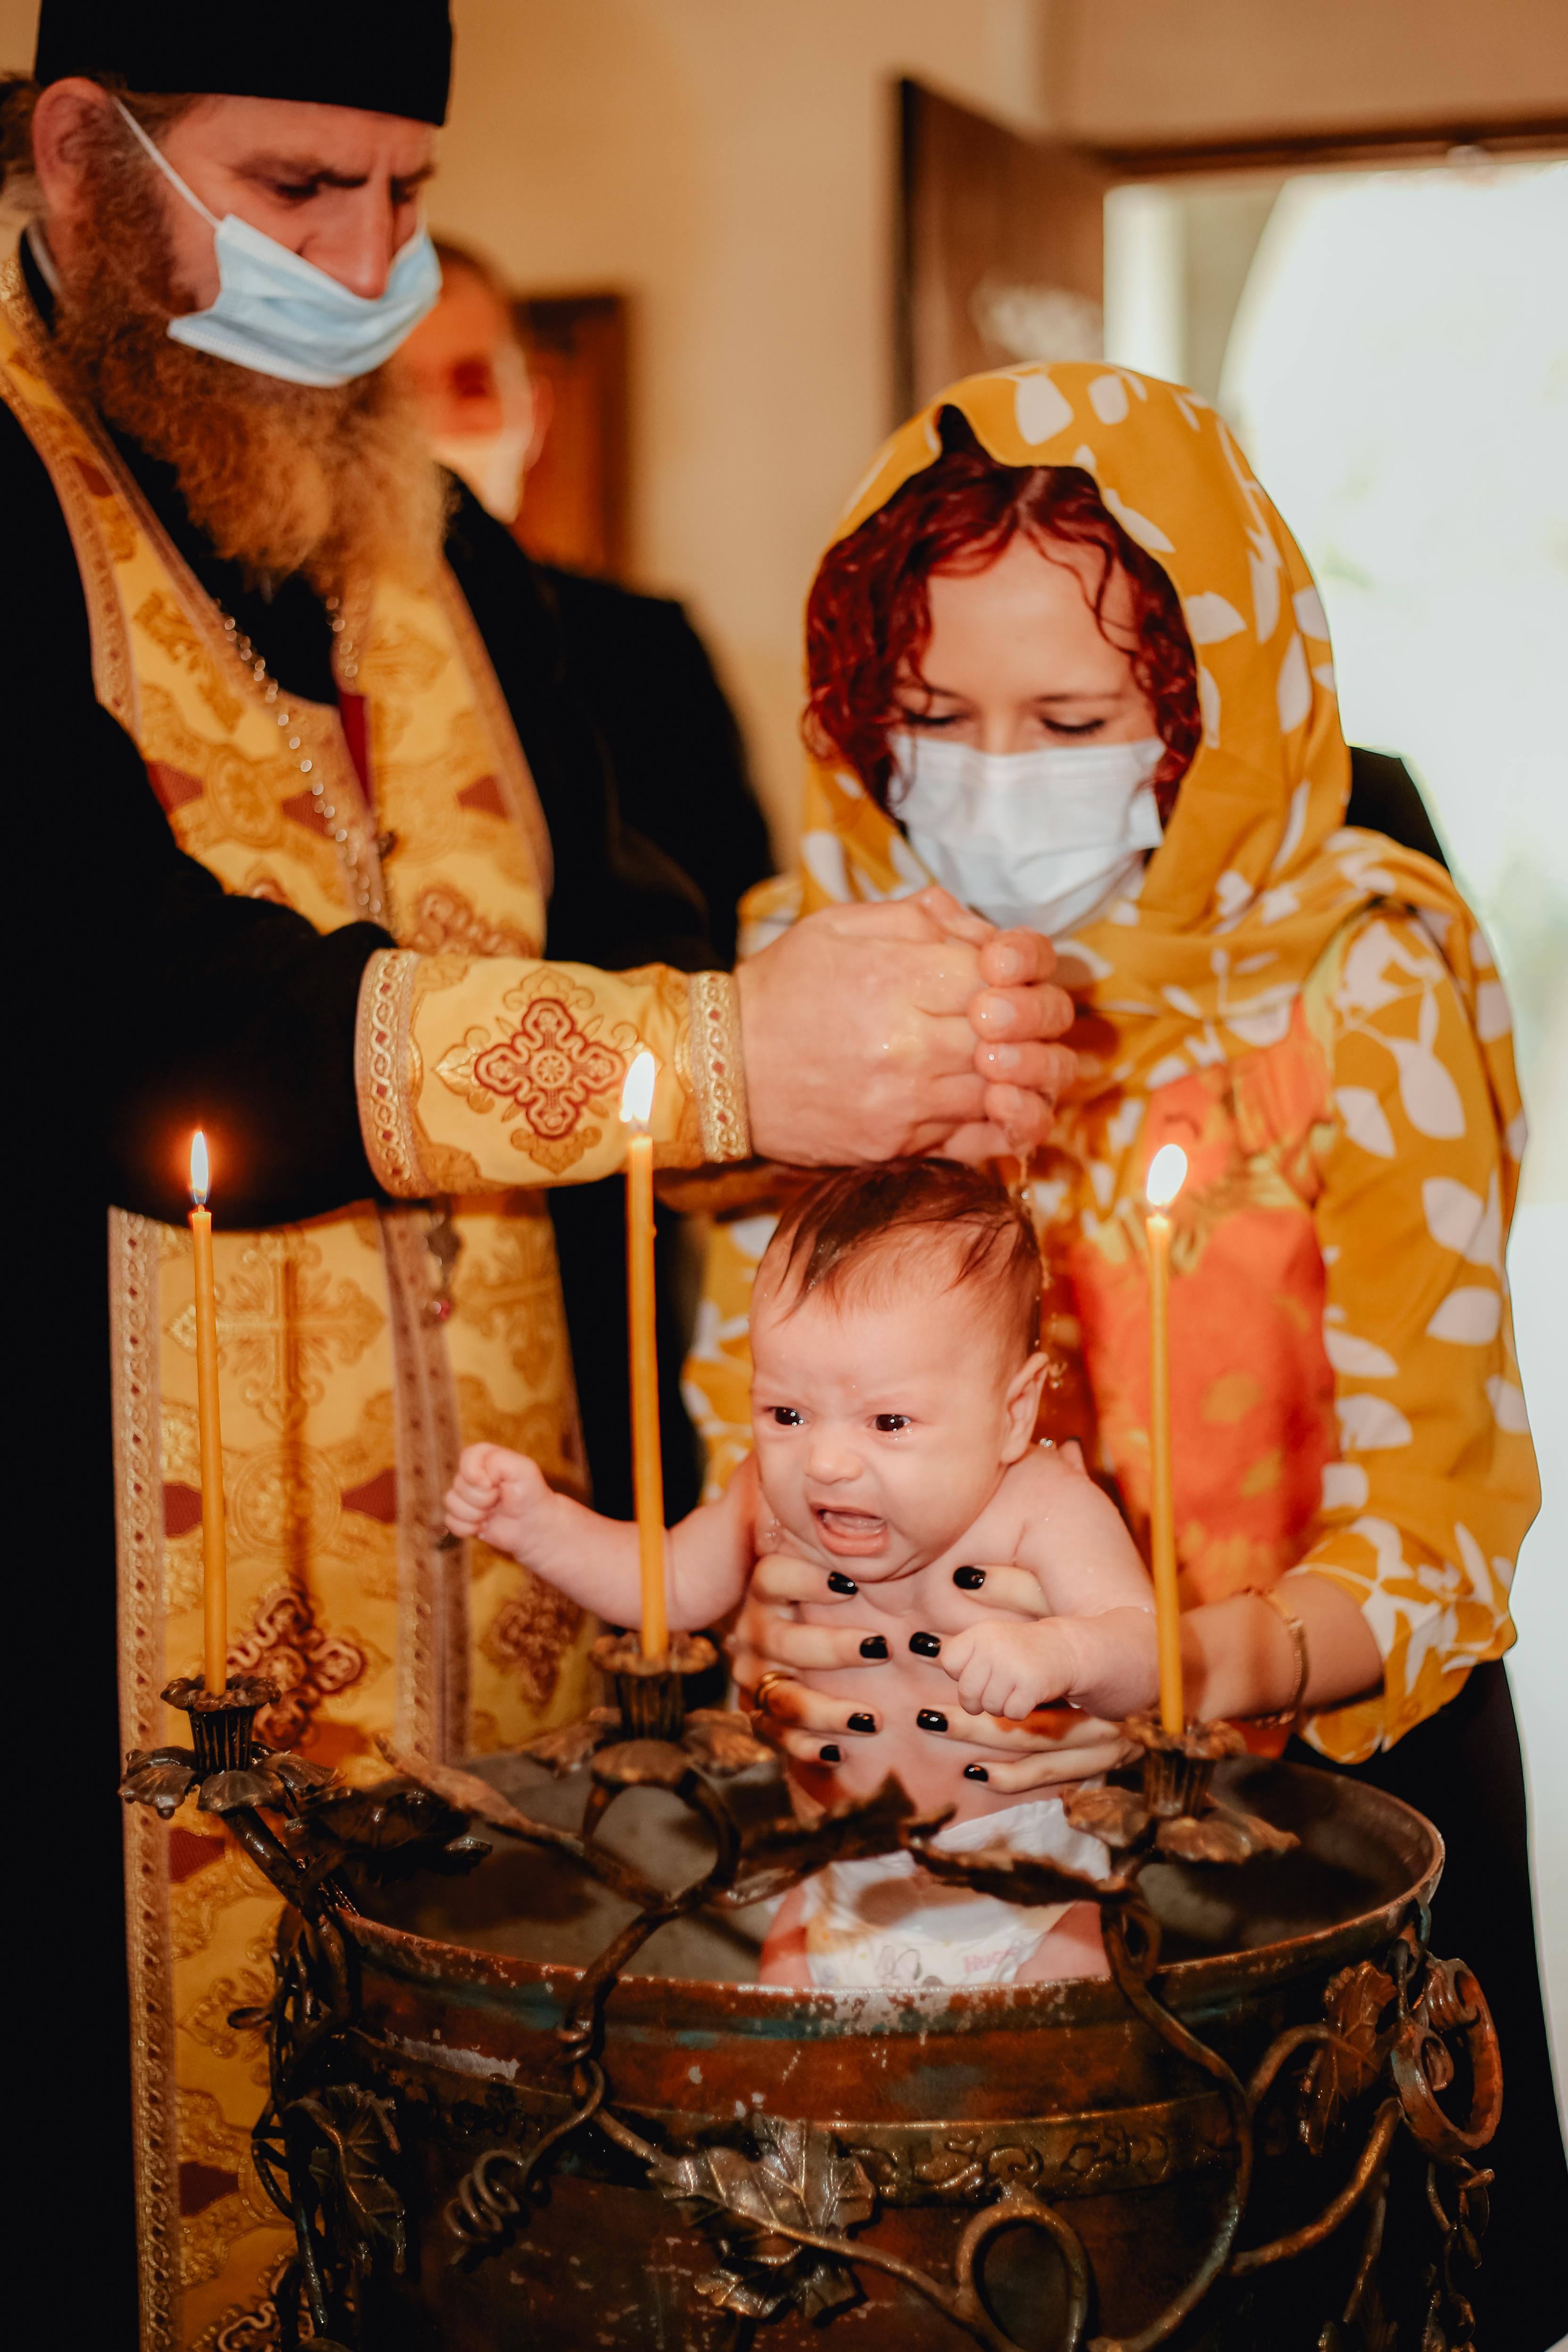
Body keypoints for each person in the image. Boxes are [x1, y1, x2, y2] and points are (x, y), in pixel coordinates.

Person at [2, 16, 1077, 2342]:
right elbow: (123, 1005)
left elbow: (623, 921)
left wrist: (841, 1069)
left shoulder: (400, 502)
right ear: (81, 152)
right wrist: (714, 1055)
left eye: (408, 195)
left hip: (504, 1638)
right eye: (299, 193)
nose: (369, 268)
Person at [710, 363, 1565, 2346]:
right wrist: (786, 1611)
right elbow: (746, 1404)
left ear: (1198, 713)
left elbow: (1439, 1514)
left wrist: (1190, 1667)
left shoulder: (1359, 974)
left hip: (1317, 1832)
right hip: (932, 1817)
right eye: (935, 719)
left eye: (1073, 723)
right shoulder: (820, 973)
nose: (996, 778)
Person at [445, 1158, 1158, 1988]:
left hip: (1035, 1896)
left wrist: (1063, 1656)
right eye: (785, 1413)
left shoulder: (1045, 1508)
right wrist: (539, 1527)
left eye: (888, 1422)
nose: (824, 1461)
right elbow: (670, 1587)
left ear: (1013, 1412)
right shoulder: (768, 1495)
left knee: (1051, 2054)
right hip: (837, 1886)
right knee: (776, 2066)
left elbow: (1144, 1649)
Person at [404, 238, 777, 1524]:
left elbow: (720, 923)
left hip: (599, 1223)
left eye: (466, 381)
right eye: (391, 390)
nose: (435, 425)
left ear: (530, 404)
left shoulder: (636, 646)